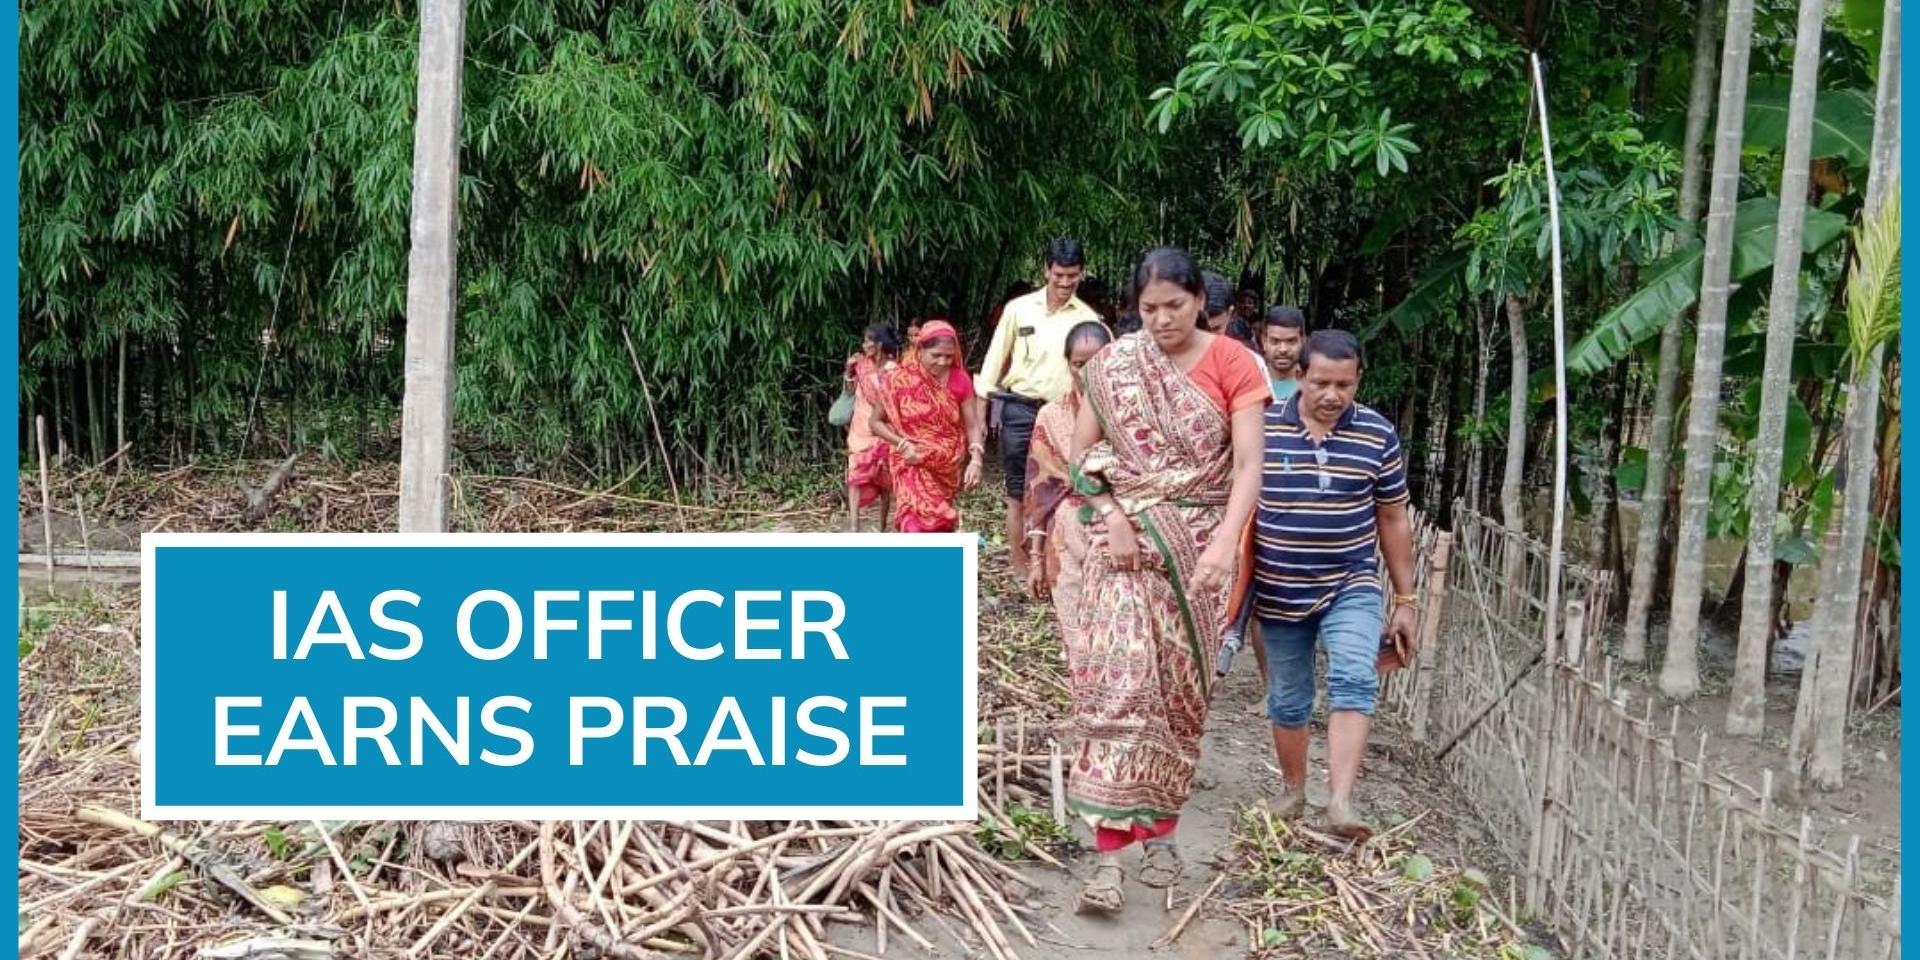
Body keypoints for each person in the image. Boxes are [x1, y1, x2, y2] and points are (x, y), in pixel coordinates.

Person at [1065, 247, 1268, 913]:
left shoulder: (1235, 363)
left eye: (1172, 307)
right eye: (1147, 309)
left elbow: (1245, 469)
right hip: (1122, 550)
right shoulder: (1115, 366)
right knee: (1120, 692)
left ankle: (1161, 834)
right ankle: (1108, 862)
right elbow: (1082, 459)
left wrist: (1222, 551)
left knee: (1180, 703)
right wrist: (1111, 515)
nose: (1159, 320)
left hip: (1201, 552)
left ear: (1199, 302)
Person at [1253, 329, 1419, 841]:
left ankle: (1341, 801)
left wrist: (1407, 599)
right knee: (1288, 697)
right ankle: (1294, 789)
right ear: (1298, 376)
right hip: (1277, 589)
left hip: (1351, 582)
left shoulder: (1377, 434)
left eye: (1344, 385)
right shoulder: (1261, 427)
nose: (1332, 395)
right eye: (1321, 382)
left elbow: (1392, 517)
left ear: (1357, 381)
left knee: (1354, 676)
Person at [975, 238, 1100, 581]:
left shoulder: (1089, 321)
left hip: (1065, 416)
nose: (1064, 282)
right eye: (1058, 274)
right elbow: (993, 364)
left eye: (1072, 276)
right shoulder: (1018, 309)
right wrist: (979, 424)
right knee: (1017, 491)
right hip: (1020, 410)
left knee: (1062, 487)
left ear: (1081, 274)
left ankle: (1053, 565)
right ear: (1046, 270)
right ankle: (1020, 566)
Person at [1022, 320, 1115, 655]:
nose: (1088, 372)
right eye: (1079, 364)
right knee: (1075, 632)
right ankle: (1083, 701)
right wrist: (1035, 558)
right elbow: (1040, 493)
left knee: (1116, 631)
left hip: (1120, 533)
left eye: (1098, 361)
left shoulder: (1132, 415)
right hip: (1066, 537)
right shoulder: (1052, 416)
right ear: (1068, 364)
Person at [869, 320, 985, 532]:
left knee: (940, 522)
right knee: (913, 522)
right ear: (920, 350)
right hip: (909, 462)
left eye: (948, 356)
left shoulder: (961, 380)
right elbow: (875, 422)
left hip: (945, 465)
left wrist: (976, 460)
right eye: (936, 355)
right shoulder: (898, 379)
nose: (942, 362)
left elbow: (972, 426)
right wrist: (902, 443)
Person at [845, 325, 902, 531]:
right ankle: (854, 527)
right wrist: (848, 371)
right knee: (854, 475)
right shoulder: (861, 365)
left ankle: (883, 527)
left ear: (879, 344)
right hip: (860, 429)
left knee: (884, 480)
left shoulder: (894, 370)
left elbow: (894, 402)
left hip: (883, 429)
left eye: (868, 341)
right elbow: (850, 392)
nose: (864, 345)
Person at [1258, 305, 1305, 403]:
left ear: (1303, 341)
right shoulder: (1250, 383)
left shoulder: (1313, 385)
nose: (1283, 349)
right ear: (1264, 341)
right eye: (1275, 341)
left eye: (1291, 341)